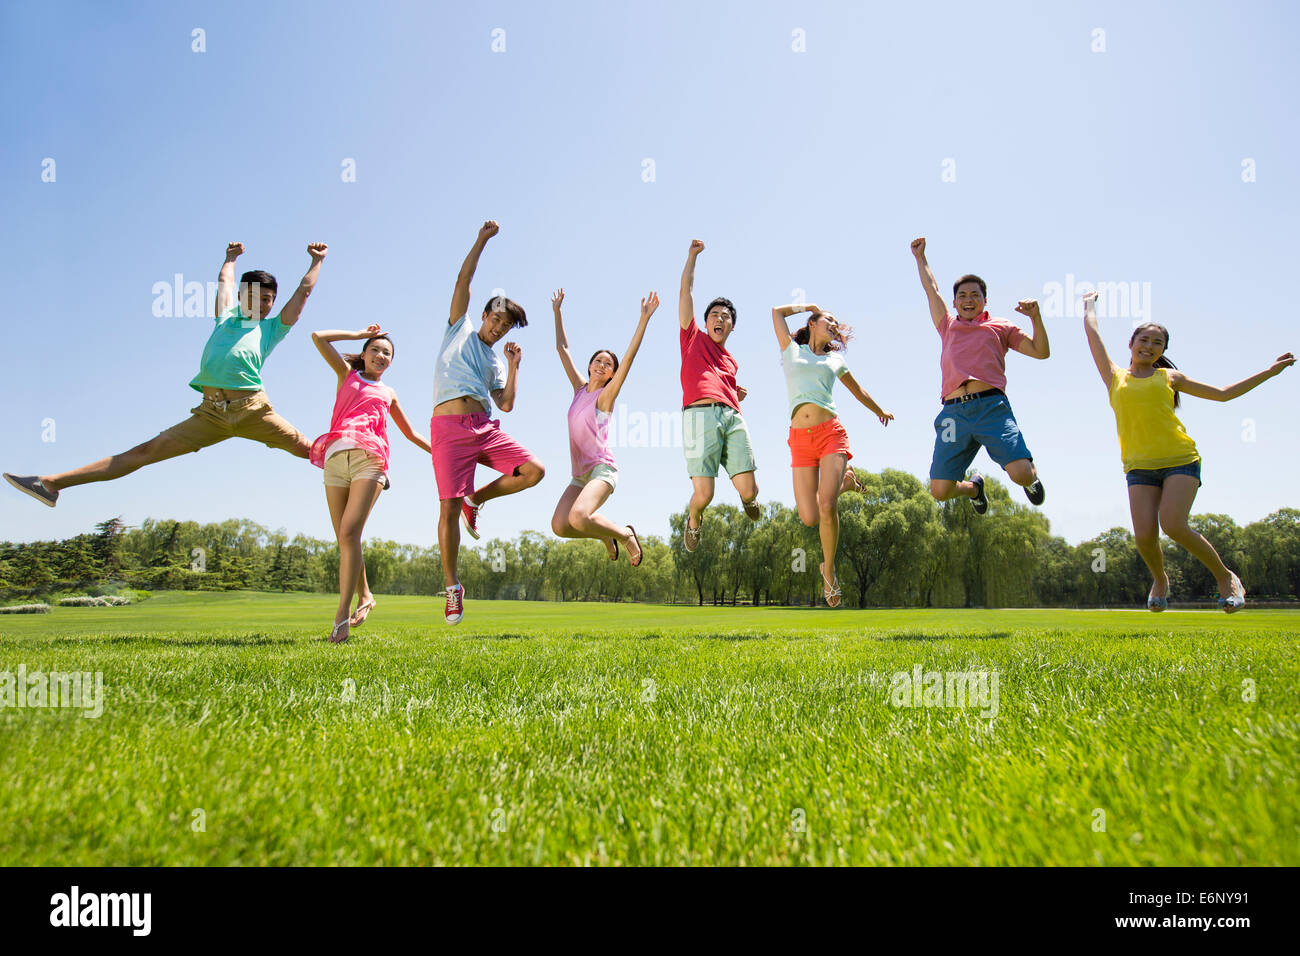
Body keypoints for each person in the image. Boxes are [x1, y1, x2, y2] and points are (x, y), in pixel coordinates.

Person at [5, 241, 326, 506]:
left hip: (254, 410)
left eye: (268, 300)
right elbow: (225, 283)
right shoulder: (225, 317)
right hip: (210, 416)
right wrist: (229, 259)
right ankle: (50, 484)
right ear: (243, 296)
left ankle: (369, 469)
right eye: (254, 296)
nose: (261, 304)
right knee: (143, 453)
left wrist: (316, 262)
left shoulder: (270, 329)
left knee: (308, 448)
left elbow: (303, 293)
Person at [1081, 289, 1293, 612]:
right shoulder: (1114, 377)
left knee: (1173, 524)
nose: (1149, 347)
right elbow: (1093, 333)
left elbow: (1222, 394)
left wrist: (1268, 372)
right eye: (1144, 340)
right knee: (1144, 537)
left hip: (1181, 460)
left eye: (1157, 343)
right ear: (1131, 343)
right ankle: (1161, 580)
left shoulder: (1169, 377)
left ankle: (1226, 579)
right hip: (1139, 467)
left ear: (1163, 350)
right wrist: (1088, 305)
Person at [432, 221, 545, 625]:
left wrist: (514, 366)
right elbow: (464, 277)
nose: (498, 328)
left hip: (484, 426)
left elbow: (507, 403)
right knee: (446, 507)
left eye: (505, 326)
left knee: (534, 471)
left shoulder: (496, 361)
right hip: (447, 428)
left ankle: (476, 499)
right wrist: (481, 239)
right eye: (495, 319)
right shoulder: (457, 328)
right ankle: (452, 588)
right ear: (483, 314)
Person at [309, 324, 431, 643]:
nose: (380, 355)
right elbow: (318, 337)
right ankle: (366, 596)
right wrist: (360, 332)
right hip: (335, 459)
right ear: (363, 355)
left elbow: (411, 433)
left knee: (349, 532)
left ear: (391, 363)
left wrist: (442, 451)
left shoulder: (388, 393)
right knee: (345, 538)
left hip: (370, 459)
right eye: (375, 349)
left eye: (387, 353)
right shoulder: (346, 375)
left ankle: (340, 618)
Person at [910, 236, 1048, 514]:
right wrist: (920, 257)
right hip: (953, 415)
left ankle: (1030, 481)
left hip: (990, 409)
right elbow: (931, 289)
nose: (968, 300)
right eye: (962, 295)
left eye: (975, 295)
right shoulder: (947, 325)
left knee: (1021, 472)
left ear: (985, 300)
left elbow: (1040, 351)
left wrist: (1035, 317)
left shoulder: (1001, 327)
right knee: (939, 490)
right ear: (955, 302)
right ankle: (975, 488)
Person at [773, 303, 893, 606]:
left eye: (837, 322)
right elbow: (775, 312)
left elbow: (858, 390)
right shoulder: (791, 350)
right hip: (799, 440)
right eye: (829, 319)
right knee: (810, 517)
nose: (835, 324)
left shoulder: (835, 360)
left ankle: (828, 570)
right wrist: (807, 306)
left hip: (831, 434)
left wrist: (879, 410)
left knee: (826, 505)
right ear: (812, 323)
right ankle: (847, 482)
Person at [548, 288, 658, 566]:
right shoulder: (579, 390)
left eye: (608, 364)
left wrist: (643, 319)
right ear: (589, 366)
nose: (602, 365)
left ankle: (624, 534)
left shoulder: (604, 397)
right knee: (560, 526)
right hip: (579, 475)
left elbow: (629, 360)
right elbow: (562, 349)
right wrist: (557, 311)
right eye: (598, 360)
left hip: (602, 469)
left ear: (611, 374)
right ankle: (604, 536)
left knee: (579, 517)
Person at [678, 239, 759, 552]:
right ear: (705, 320)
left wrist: (734, 394)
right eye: (714, 314)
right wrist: (692, 257)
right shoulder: (691, 338)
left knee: (750, 490)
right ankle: (695, 518)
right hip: (698, 418)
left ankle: (748, 500)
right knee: (705, 495)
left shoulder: (732, 361)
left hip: (732, 417)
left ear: (732, 327)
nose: (719, 318)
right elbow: (686, 291)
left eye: (726, 317)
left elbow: (719, 382)